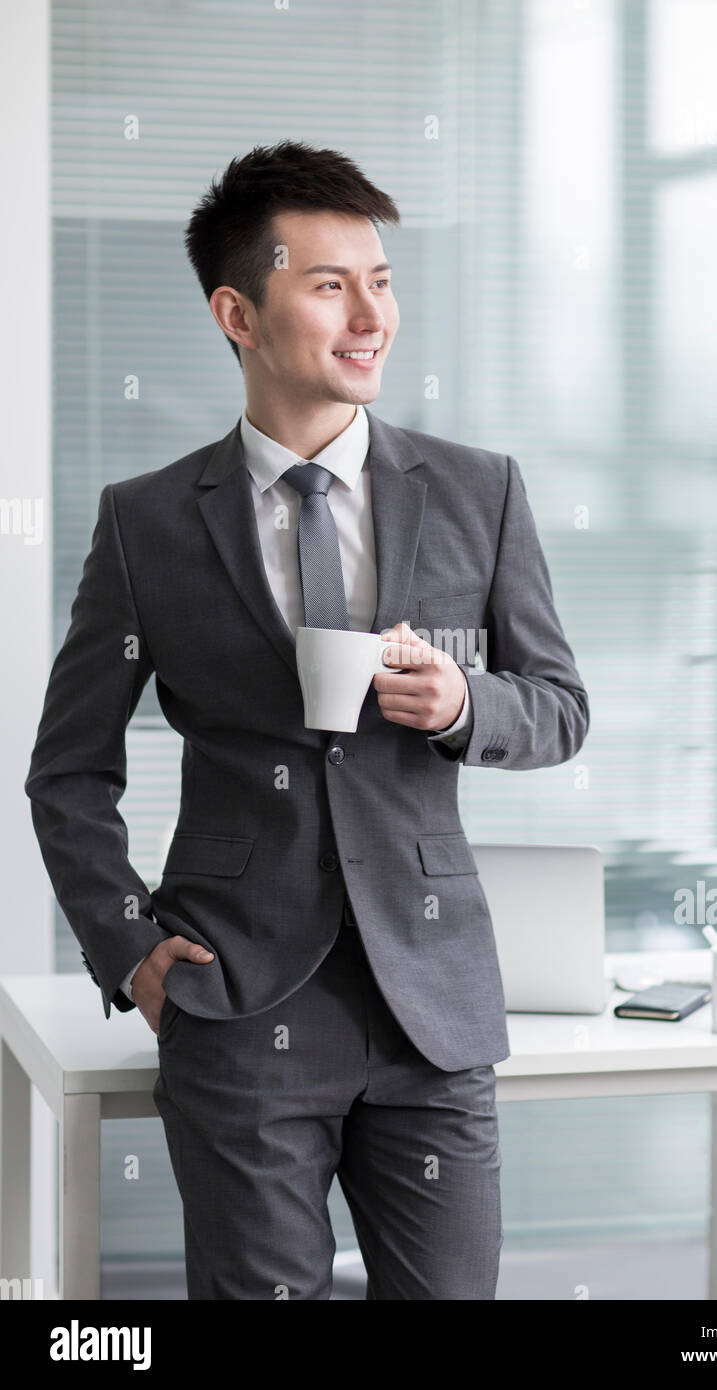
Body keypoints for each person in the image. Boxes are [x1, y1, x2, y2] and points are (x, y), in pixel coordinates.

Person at [25, 138, 590, 1300]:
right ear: (238, 312)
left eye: (380, 280)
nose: (368, 313)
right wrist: (128, 950)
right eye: (327, 284)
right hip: (237, 998)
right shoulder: (148, 525)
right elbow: (68, 773)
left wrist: (461, 704)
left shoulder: (478, 491)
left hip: (430, 1003)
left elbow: (560, 708)